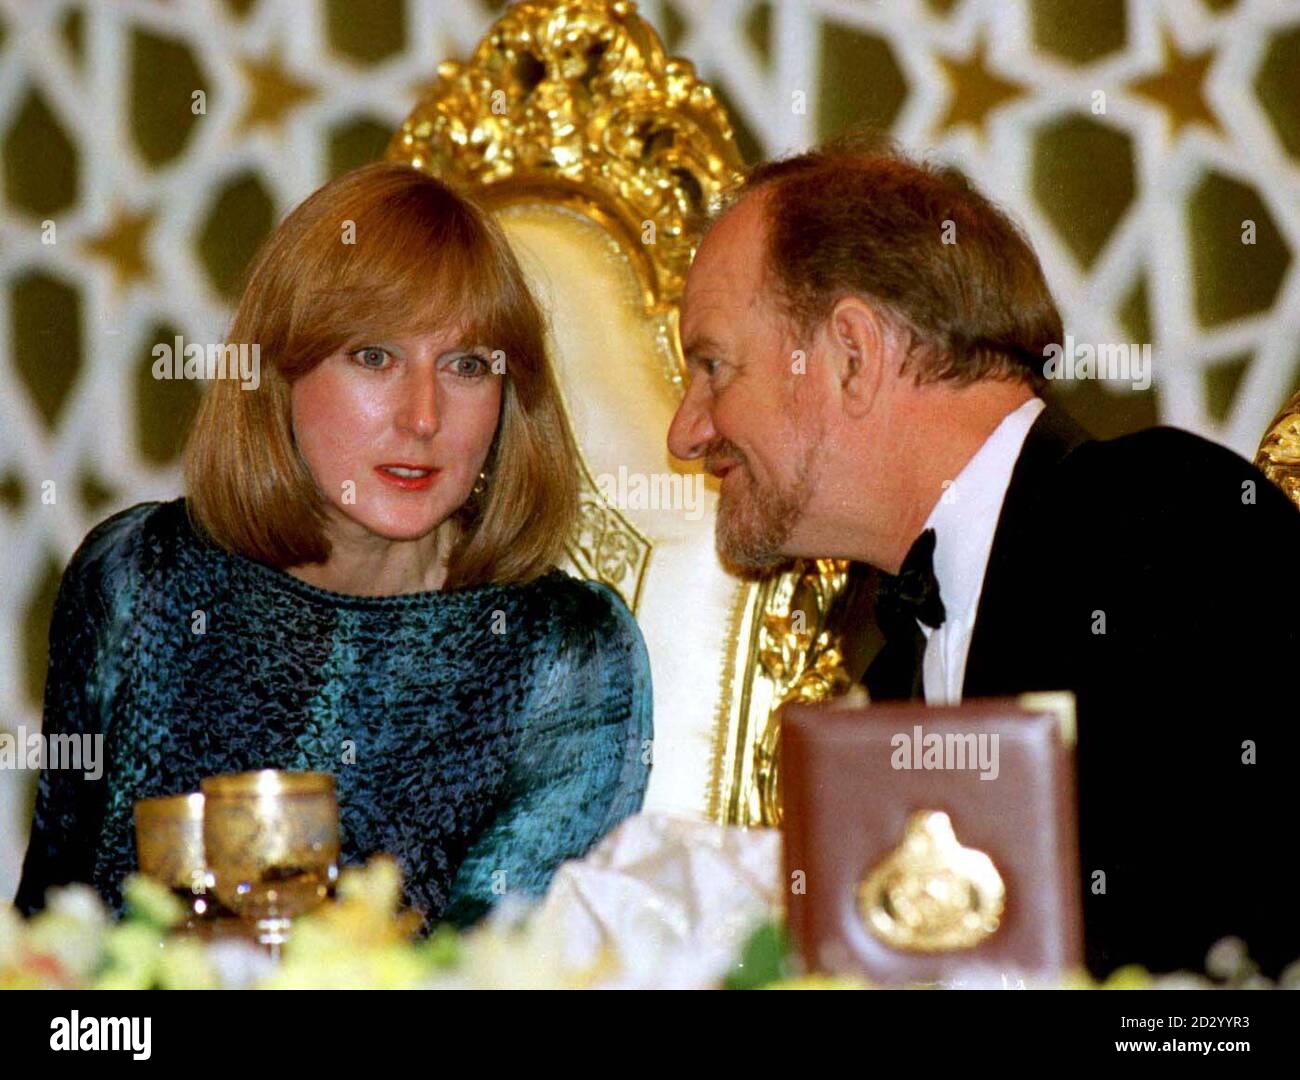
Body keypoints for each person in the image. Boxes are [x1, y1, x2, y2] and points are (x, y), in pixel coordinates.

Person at [666, 132, 1299, 979]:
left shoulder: (1167, 522)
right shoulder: (893, 673)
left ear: (852, 355)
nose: (685, 432)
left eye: (713, 366)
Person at [16, 162, 653, 928]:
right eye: (375, 357)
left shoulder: (562, 653)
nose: (423, 416)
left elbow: (507, 969)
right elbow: (54, 931)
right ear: (279, 374)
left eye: (467, 366)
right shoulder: (136, 577)